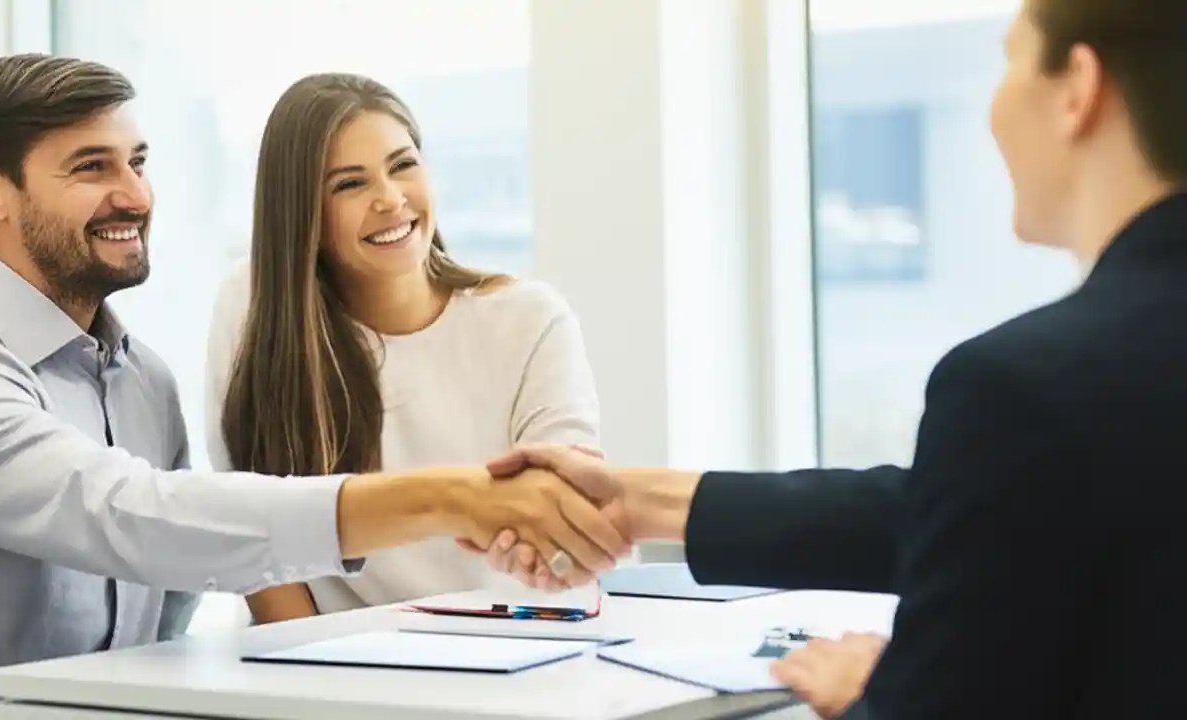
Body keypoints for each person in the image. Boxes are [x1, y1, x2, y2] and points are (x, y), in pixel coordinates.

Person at [480, 0, 1187, 717]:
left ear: (1078, 88)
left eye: (1010, 60)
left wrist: (871, 696)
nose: (993, 107)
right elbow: (985, 512)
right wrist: (644, 503)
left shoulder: (1023, 387)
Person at [0, 54, 625, 720]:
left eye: (139, 162)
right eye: (92, 168)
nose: (134, 194)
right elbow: (132, 517)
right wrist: (450, 498)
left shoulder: (141, 380)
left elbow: (178, 591)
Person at [203, 73, 605, 623]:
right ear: (303, 216)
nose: (390, 200)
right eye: (350, 184)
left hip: (517, 640)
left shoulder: (529, 320)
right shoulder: (254, 307)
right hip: (329, 666)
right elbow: (249, 535)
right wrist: (317, 680)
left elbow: (562, 516)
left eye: (403, 165)